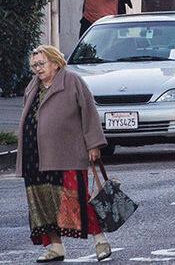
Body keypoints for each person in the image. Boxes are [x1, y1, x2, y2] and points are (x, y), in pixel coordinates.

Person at [14, 45, 111, 262]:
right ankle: (55, 246)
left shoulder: (71, 81)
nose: (37, 69)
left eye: (41, 64)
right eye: (34, 65)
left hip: (66, 153)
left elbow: (89, 111)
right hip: (34, 156)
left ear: (56, 63)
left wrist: (93, 144)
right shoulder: (33, 85)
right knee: (41, 203)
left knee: (76, 199)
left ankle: (100, 241)